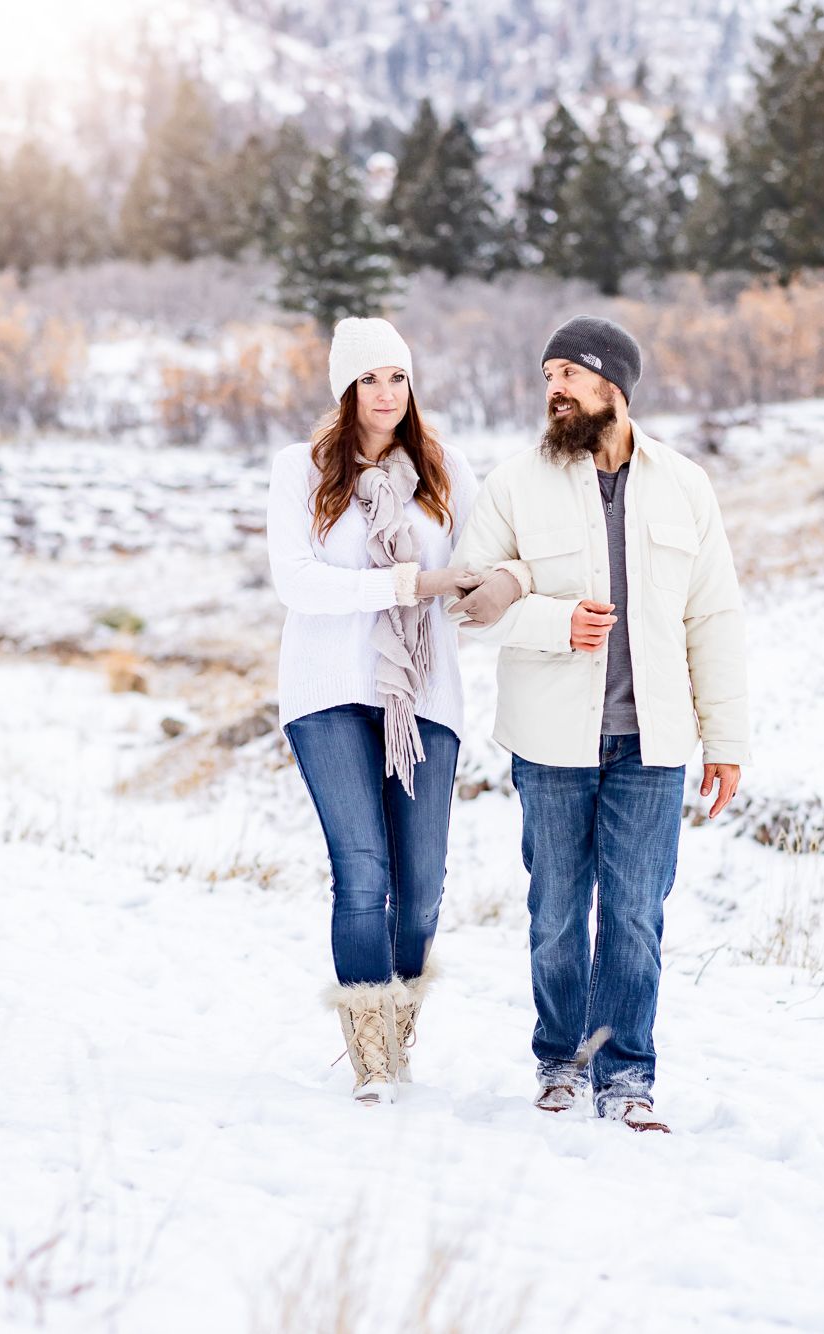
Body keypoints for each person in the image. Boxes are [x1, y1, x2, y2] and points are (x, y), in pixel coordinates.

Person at [450, 315, 750, 1133]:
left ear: (614, 386)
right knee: (554, 913)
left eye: (571, 375)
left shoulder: (685, 485)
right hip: (550, 741)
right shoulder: (514, 483)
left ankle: (625, 1076)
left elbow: (714, 616)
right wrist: (554, 624)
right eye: (547, 374)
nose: (555, 388)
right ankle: (559, 1062)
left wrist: (726, 740)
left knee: (633, 918)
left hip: (654, 742)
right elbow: (465, 605)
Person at [266, 317, 486, 1105]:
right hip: (327, 693)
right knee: (363, 874)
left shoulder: (446, 469)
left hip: (423, 696)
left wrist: (524, 601)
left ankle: (398, 1023)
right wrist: (408, 585)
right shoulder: (303, 470)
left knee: (422, 884)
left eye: (397, 377)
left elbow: (483, 568)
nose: (386, 394)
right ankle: (371, 1056)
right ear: (344, 388)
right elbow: (297, 582)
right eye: (368, 379)